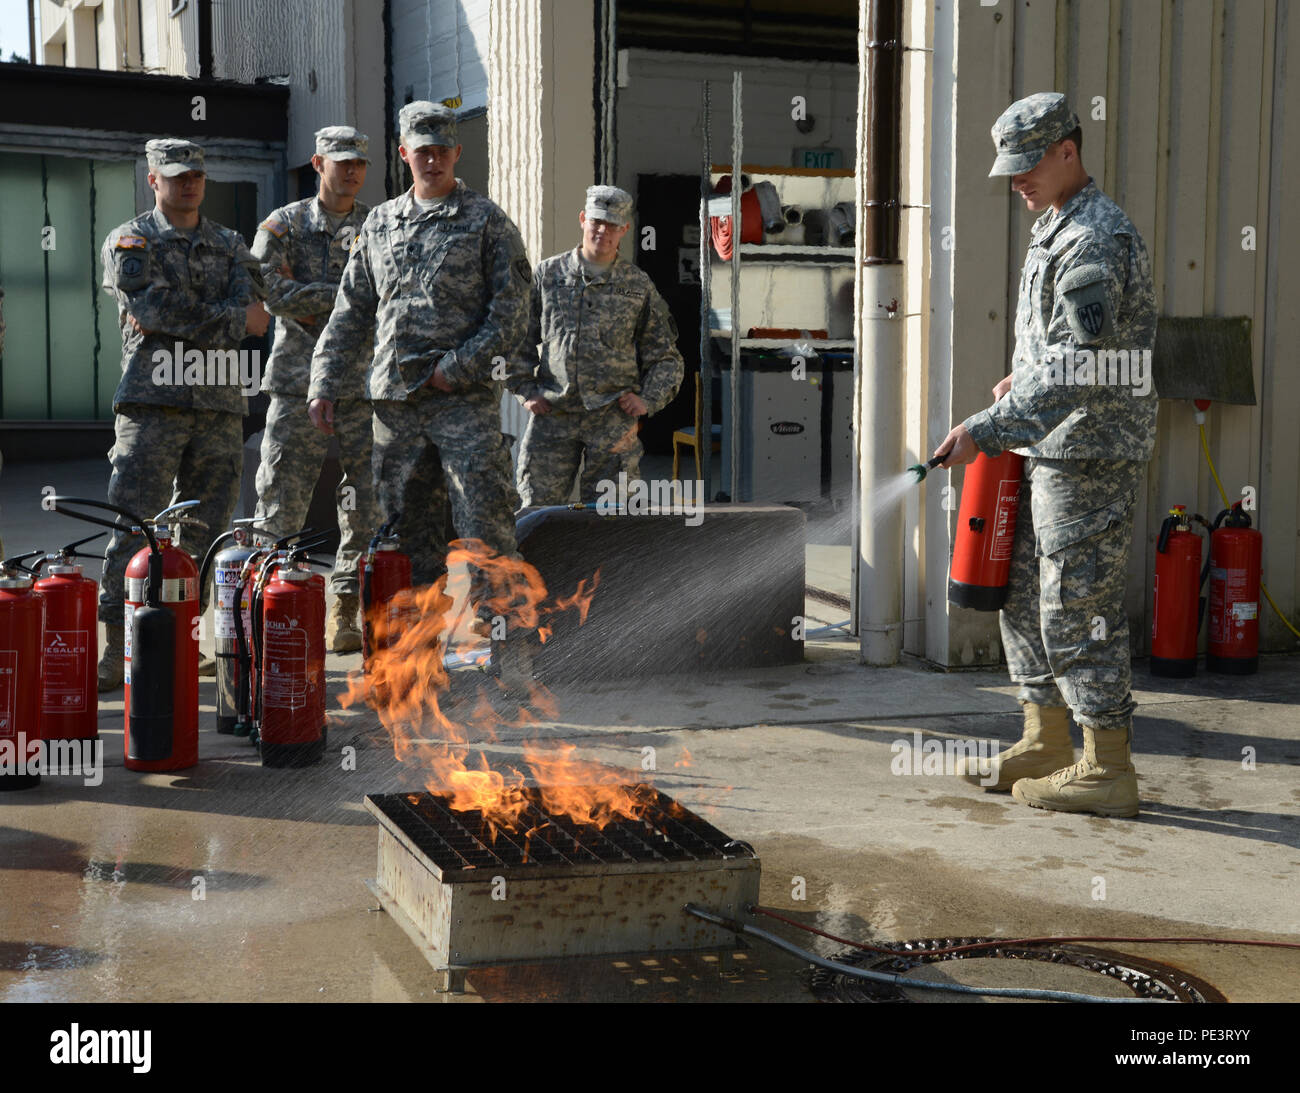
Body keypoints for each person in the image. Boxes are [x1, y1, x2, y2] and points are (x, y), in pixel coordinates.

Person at [936, 93, 1157, 818]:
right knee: (1023, 594)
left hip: (1088, 453)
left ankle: (1107, 765)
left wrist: (989, 425)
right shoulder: (1054, 225)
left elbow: (1077, 371)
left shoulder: (1095, 238)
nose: (1016, 180)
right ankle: (1046, 739)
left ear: (1069, 148)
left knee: (1078, 604)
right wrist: (1015, 387)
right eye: (1010, 168)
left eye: (1028, 164)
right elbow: (1056, 350)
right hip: (1047, 445)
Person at [307, 102, 531, 625]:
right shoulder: (380, 224)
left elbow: (512, 314)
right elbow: (350, 311)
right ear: (405, 154)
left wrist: (455, 369)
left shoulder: (487, 222)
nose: (432, 161)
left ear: (456, 152)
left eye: (441, 151)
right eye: (421, 151)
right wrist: (324, 382)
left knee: (487, 531)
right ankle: (419, 662)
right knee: (404, 538)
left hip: (464, 406)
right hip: (395, 408)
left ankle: (509, 652)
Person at [97, 138, 269, 691]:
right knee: (135, 524)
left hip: (219, 403)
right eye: (174, 176)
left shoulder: (231, 243)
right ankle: (115, 648)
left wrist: (199, 320)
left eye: (195, 174)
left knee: (206, 531)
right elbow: (149, 307)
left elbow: (258, 318)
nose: (187, 183)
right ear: (153, 180)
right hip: (153, 404)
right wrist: (227, 316)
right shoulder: (131, 240)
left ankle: (184, 640)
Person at [251, 125, 376, 653]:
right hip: (297, 385)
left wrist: (309, 298)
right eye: (340, 161)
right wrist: (344, 298)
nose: (350, 172)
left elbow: (391, 295)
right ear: (317, 162)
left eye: (358, 164)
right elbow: (263, 286)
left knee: (365, 504)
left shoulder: (377, 227)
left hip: (365, 384)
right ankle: (261, 610)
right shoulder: (284, 224)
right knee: (282, 498)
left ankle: (345, 609)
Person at [510, 185, 684, 505]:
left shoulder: (637, 285)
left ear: (624, 230)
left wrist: (647, 399)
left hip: (612, 418)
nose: (603, 231)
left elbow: (665, 356)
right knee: (536, 510)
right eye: (597, 221)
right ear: (582, 220)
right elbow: (515, 339)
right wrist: (525, 389)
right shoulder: (548, 276)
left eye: (613, 225)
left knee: (612, 516)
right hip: (554, 415)